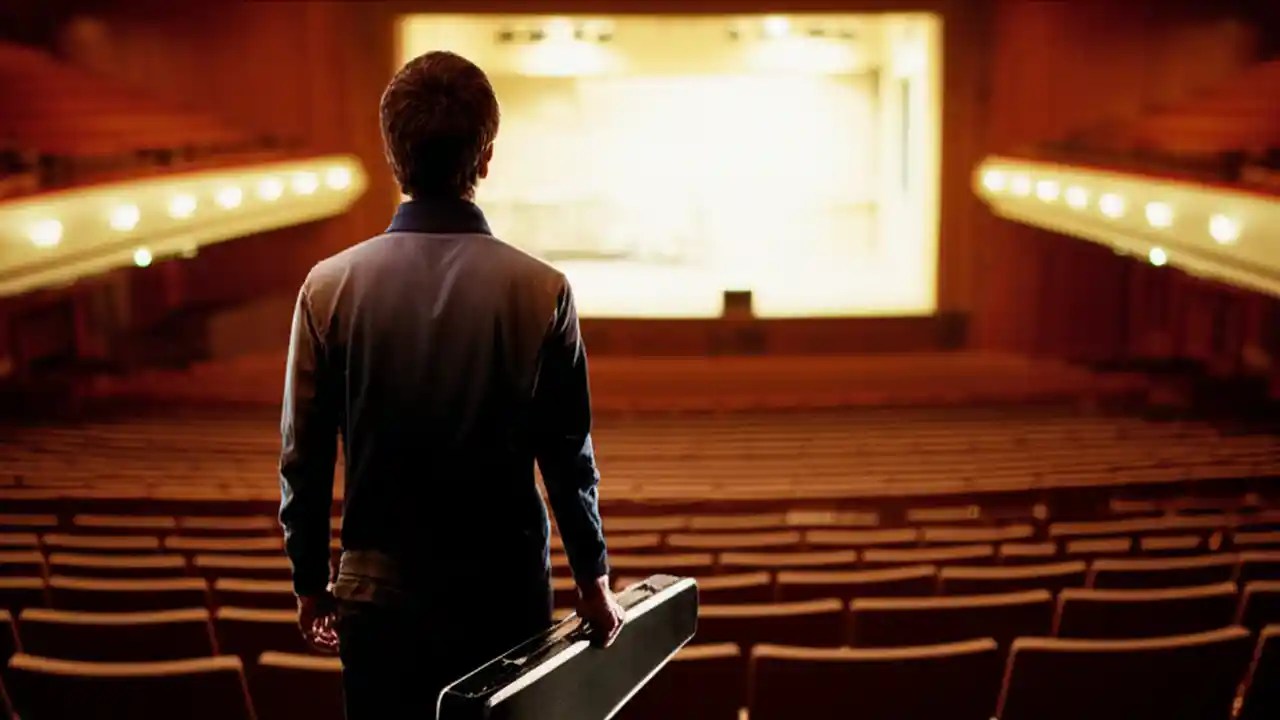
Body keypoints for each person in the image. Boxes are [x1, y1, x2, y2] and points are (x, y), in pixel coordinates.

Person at [278, 50, 624, 719]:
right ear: (486, 157)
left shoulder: (326, 287)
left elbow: (305, 456)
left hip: (376, 598)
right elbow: (566, 454)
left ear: (393, 155)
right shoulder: (543, 289)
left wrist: (310, 582)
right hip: (506, 598)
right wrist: (592, 580)